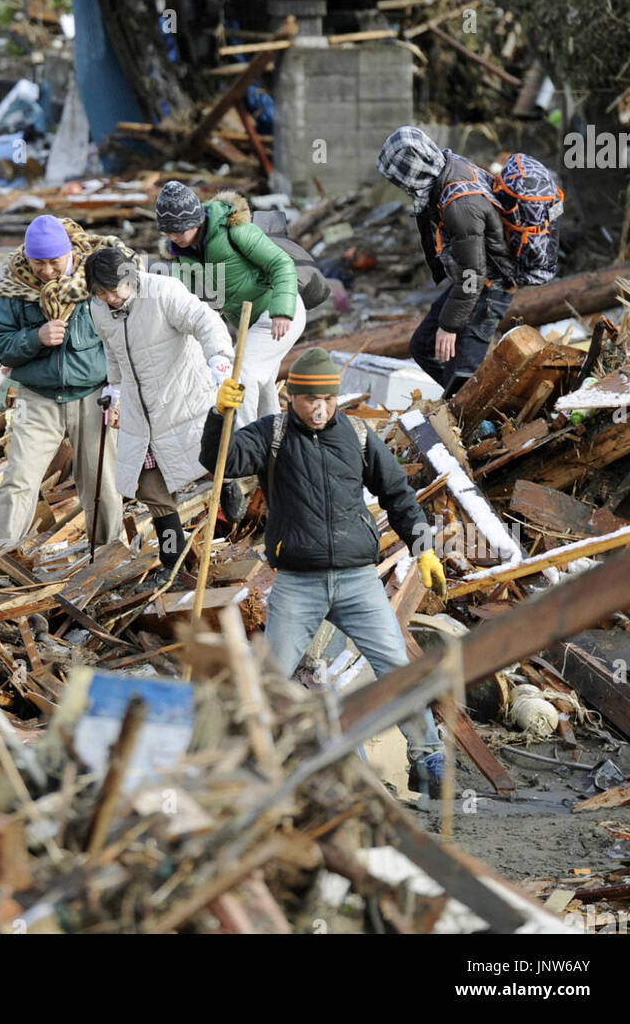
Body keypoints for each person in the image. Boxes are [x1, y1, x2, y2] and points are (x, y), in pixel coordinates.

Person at [200, 345, 448, 797]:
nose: (319, 408)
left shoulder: (356, 434)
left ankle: (427, 759)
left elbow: (398, 494)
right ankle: (254, 766)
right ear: (290, 397)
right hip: (297, 583)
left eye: (328, 399)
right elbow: (222, 462)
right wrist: (221, 417)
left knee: (396, 666)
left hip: (357, 581)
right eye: (310, 399)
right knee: (272, 677)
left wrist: (424, 548)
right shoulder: (271, 434)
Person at [154, 180, 306, 518]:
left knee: (245, 376)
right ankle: (277, 448)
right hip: (250, 324)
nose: (178, 236)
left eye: (183, 227)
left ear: (198, 218)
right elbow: (194, 309)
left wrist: (282, 308)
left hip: (279, 312)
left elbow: (282, 265)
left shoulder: (235, 231)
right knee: (262, 382)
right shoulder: (181, 260)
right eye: (170, 231)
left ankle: (248, 453)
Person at [86, 247, 233, 580]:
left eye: (114, 290)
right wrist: (115, 390)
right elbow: (113, 353)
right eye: (100, 293)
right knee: (151, 488)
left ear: (130, 278)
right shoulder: (99, 309)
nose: (109, 298)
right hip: (141, 410)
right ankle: (172, 559)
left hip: (182, 397)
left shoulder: (163, 291)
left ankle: (228, 488)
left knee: (209, 460)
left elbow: (205, 320)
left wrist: (220, 360)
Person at [0, 214, 128, 551]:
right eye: (38, 263)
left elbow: (124, 336)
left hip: (94, 396)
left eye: (54, 262)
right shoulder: (13, 287)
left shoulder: (97, 279)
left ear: (70, 255)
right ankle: (3, 557)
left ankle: (109, 556)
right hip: (38, 399)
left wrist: (118, 389)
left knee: (102, 484)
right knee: (19, 480)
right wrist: (34, 338)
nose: (47, 271)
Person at [376, 126, 517, 397]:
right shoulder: (445, 166)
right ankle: (463, 403)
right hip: (471, 283)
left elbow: (474, 273)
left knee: (461, 374)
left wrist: (450, 326)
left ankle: (478, 415)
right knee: (423, 345)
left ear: (410, 173)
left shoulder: (459, 205)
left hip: (489, 287)